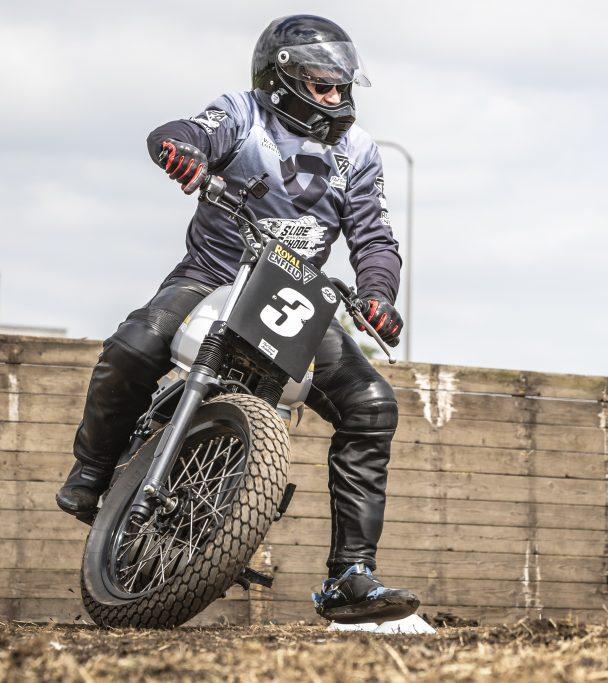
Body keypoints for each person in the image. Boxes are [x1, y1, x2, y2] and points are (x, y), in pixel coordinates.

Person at [55, 14, 419, 623]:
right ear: (282, 81)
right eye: (324, 85)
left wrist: (378, 293)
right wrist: (183, 152)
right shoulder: (243, 114)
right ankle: (93, 472)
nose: (337, 98)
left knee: (373, 406)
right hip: (212, 275)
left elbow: (375, 239)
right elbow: (182, 132)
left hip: (295, 294)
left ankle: (351, 576)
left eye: (343, 87)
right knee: (134, 342)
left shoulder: (359, 152)